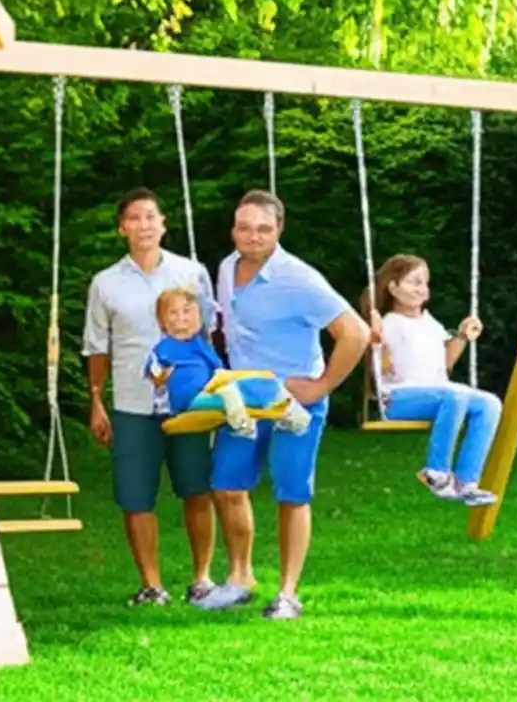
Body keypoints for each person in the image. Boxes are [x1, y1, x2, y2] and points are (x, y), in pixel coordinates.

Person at [201, 189, 369, 618]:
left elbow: (356, 332)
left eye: (263, 229)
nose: (252, 236)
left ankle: (288, 593)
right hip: (244, 396)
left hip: (295, 401)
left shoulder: (299, 278)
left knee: (291, 493)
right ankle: (240, 578)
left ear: (279, 230)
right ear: (233, 229)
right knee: (226, 486)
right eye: (244, 227)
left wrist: (322, 385)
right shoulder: (225, 267)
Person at [82, 187, 218, 607]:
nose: (144, 225)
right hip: (132, 405)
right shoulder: (105, 283)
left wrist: (216, 388)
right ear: (123, 228)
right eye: (134, 218)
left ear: (163, 224)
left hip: (189, 403)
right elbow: (96, 345)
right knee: (135, 496)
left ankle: (202, 579)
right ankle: (152, 584)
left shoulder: (190, 273)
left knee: (196, 489)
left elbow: (209, 333)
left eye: (151, 217)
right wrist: (97, 401)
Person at [362, 254, 501, 506]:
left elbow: (445, 364)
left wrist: (462, 335)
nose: (421, 289)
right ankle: (436, 472)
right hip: (398, 398)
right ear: (393, 287)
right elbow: (381, 368)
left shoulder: (430, 323)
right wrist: (375, 338)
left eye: (425, 283)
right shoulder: (389, 323)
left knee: (490, 403)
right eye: (414, 282)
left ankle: (465, 483)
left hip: (437, 393)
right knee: (455, 395)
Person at [144, 287, 310, 438]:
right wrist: (158, 376)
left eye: (186, 311)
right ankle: (242, 425)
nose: (181, 317)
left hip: (211, 388)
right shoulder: (164, 348)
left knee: (254, 385)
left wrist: (230, 380)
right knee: (230, 393)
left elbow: (216, 366)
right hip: (190, 398)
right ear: (163, 320)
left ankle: (288, 411)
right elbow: (153, 368)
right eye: (173, 313)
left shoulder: (198, 342)